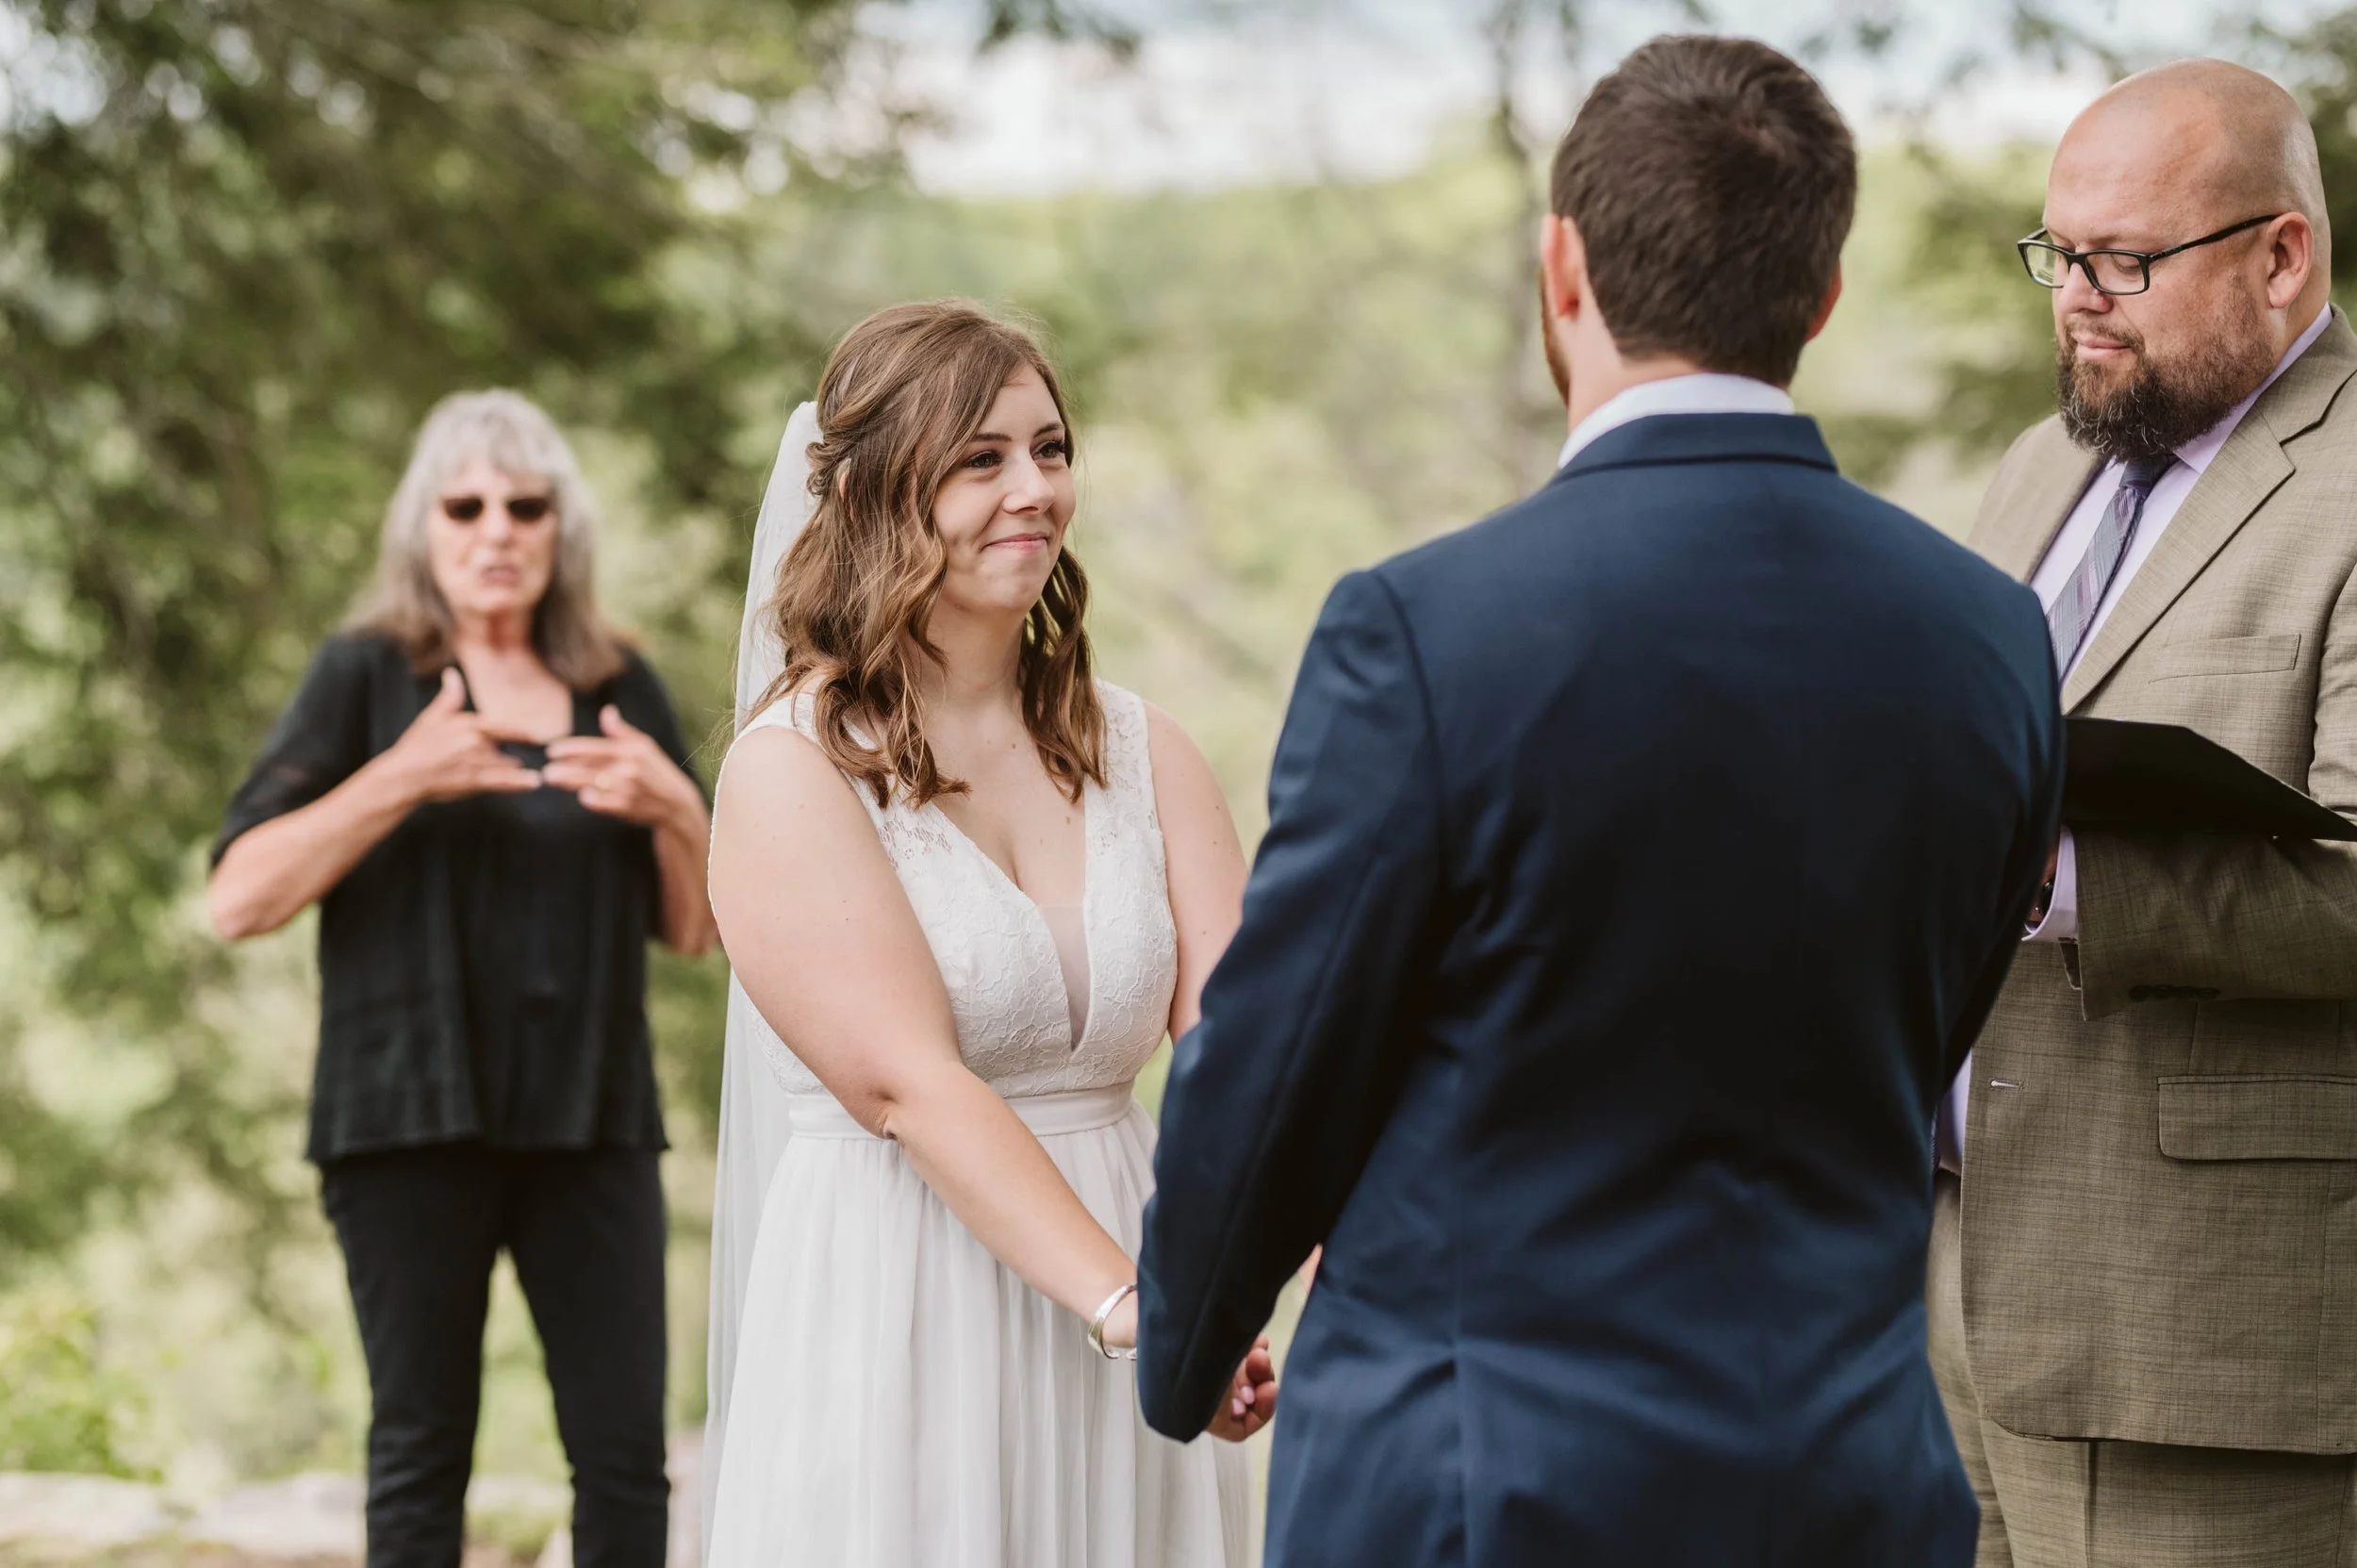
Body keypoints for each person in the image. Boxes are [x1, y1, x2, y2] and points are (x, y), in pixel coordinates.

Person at [1134, 35, 2065, 1567]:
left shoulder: (1426, 629)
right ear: (1823, 294)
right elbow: (1931, 1022)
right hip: (1846, 1483)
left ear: (1561, 268)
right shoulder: (1990, 634)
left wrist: (1186, 1346)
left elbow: (1280, 1064)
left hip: (1487, 1492)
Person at [701, 302, 1271, 1568]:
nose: (1035, 489)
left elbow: (1249, 1050)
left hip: (1148, 1277)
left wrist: (1323, 1267)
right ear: (873, 493)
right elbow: (909, 1083)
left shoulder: (1146, 748)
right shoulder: (792, 771)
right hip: (907, 1299)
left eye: (1050, 449)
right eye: (981, 458)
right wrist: (1125, 1302)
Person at [1930, 60, 2357, 1568]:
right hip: (1958, 1298)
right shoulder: (2037, 466)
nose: (2077, 301)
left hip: (2205, 1330)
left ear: (2280, 255)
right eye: (2060, 254)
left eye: (2124, 261)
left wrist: (2046, 873)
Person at [208, 390, 714, 1568]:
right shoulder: (365, 676)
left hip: (591, 1119)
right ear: (422, 527)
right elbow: (239, 897)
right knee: (421, 1450)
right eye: (466, 506)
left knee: (624, 1459)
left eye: (525, 506)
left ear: (560, 527)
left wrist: (682, 814)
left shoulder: (617, 682)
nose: (497, 530)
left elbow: (693, 933)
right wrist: (401, 776)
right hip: (404, 1118)